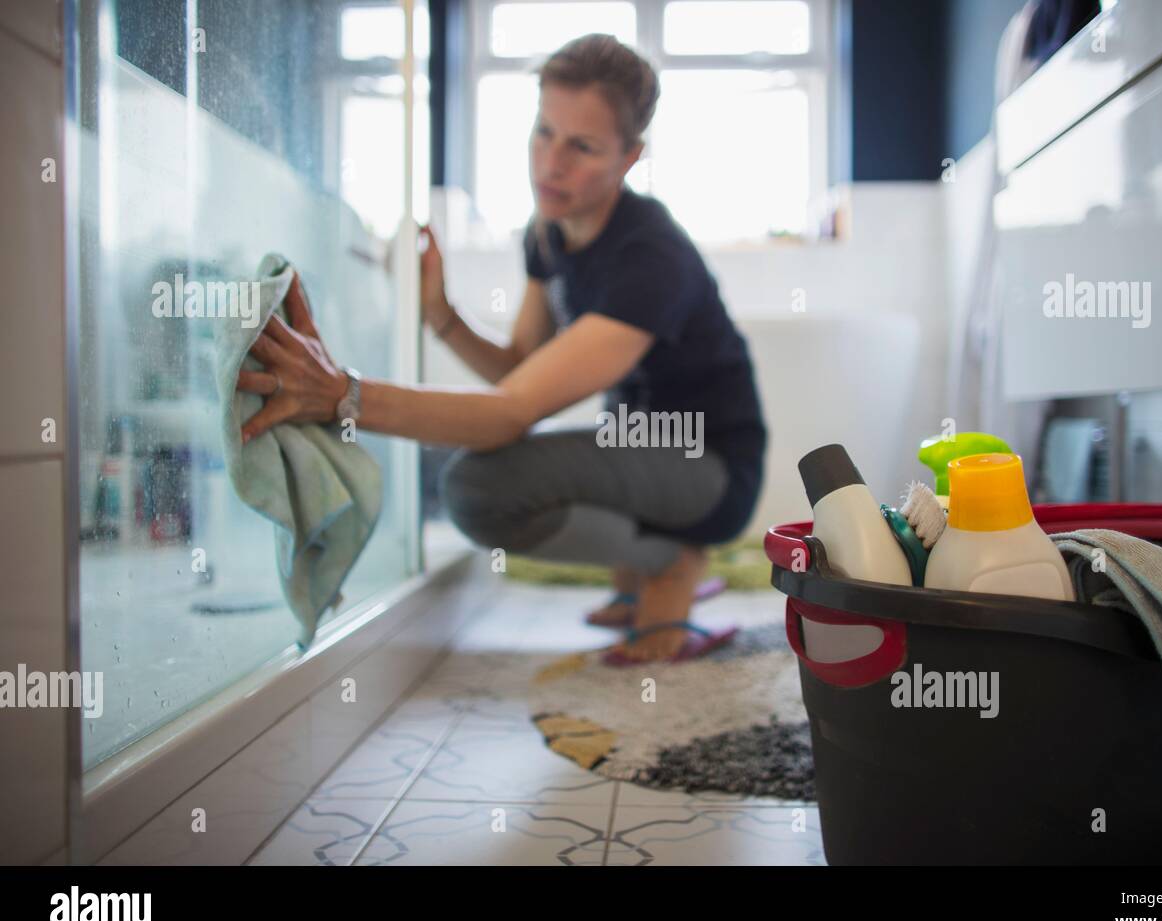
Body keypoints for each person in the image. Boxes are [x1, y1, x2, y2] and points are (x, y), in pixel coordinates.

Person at [236, 33, 767, 663]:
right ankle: (648, 563)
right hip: (637, 442)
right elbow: (521, 364)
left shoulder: (651, 257)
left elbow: (513, 409)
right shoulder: (549, 233)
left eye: (583, 146)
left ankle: (670, 557)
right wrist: (442, 316)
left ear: (629, 157)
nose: (551, 163)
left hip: (708, 466)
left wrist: (340, 395)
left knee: (475, 488)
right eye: (544, 132)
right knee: (445, 467)